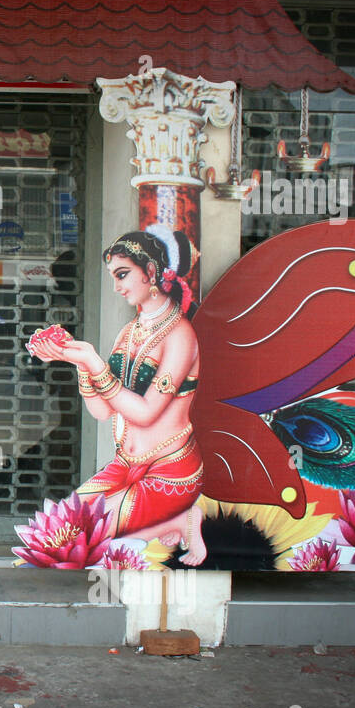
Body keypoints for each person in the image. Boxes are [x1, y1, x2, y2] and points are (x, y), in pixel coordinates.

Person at [28, 227, 207, 565]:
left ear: (150, 272)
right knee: (59, 532)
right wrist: (79, 362)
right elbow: (101, 411)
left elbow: (144, 413)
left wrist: (94, 362)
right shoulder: (129, 332)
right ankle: (171, 524)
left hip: (169, 472)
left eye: (122, 274)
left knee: (80, 540)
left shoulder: (181, 335)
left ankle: (178, 519)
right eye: (113, 277)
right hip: (124, 466)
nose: (116, 287)